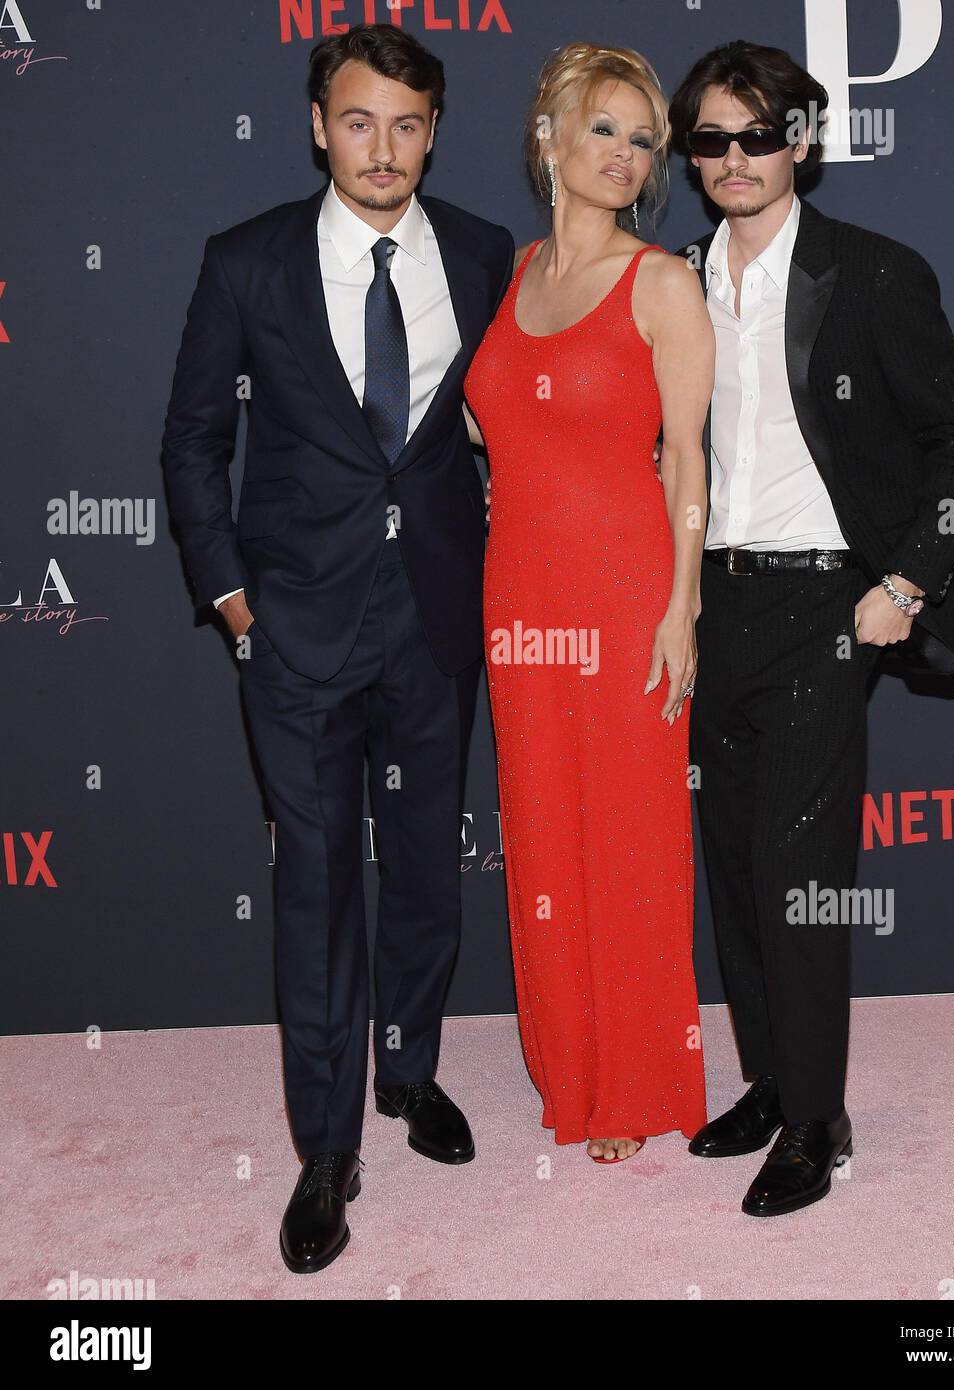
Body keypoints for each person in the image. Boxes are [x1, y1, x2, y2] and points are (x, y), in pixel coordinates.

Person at [161, 23, 514, 1272]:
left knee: (423, 864)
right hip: (296, 629)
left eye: (407, 124)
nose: (383, 148)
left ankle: (409, 1074)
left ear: (433, 129)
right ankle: (324, 1147)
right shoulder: (246, 261)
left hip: (432, 619)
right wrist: (232, 598)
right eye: (358, 122)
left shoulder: (480, 255)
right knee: (315, 887)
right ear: (318, 126)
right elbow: (194, 439)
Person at [669, 40, 954, 1214]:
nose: (734, 159)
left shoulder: (870, 274)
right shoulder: (674, 280)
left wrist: (901, 586)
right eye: (709, 139)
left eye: (758, 134)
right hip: (714, 603)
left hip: (827, 604)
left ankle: (815, 1120)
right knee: (737, 871)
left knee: (797, 868)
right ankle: (769, 1079)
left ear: (802, 140)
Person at [464, 43, 713, 1164]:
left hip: (625, 595)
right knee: (545, 834)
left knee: (627, 833)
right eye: (603, 128)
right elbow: (485, 424)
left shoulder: (662, 280)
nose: (623, 154)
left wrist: (680, 609)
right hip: (518, 596)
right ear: (549, 138)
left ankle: (631, 1081)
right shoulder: (506, 276)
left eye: (641, 139)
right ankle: (568, 1064)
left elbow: (687, 465)